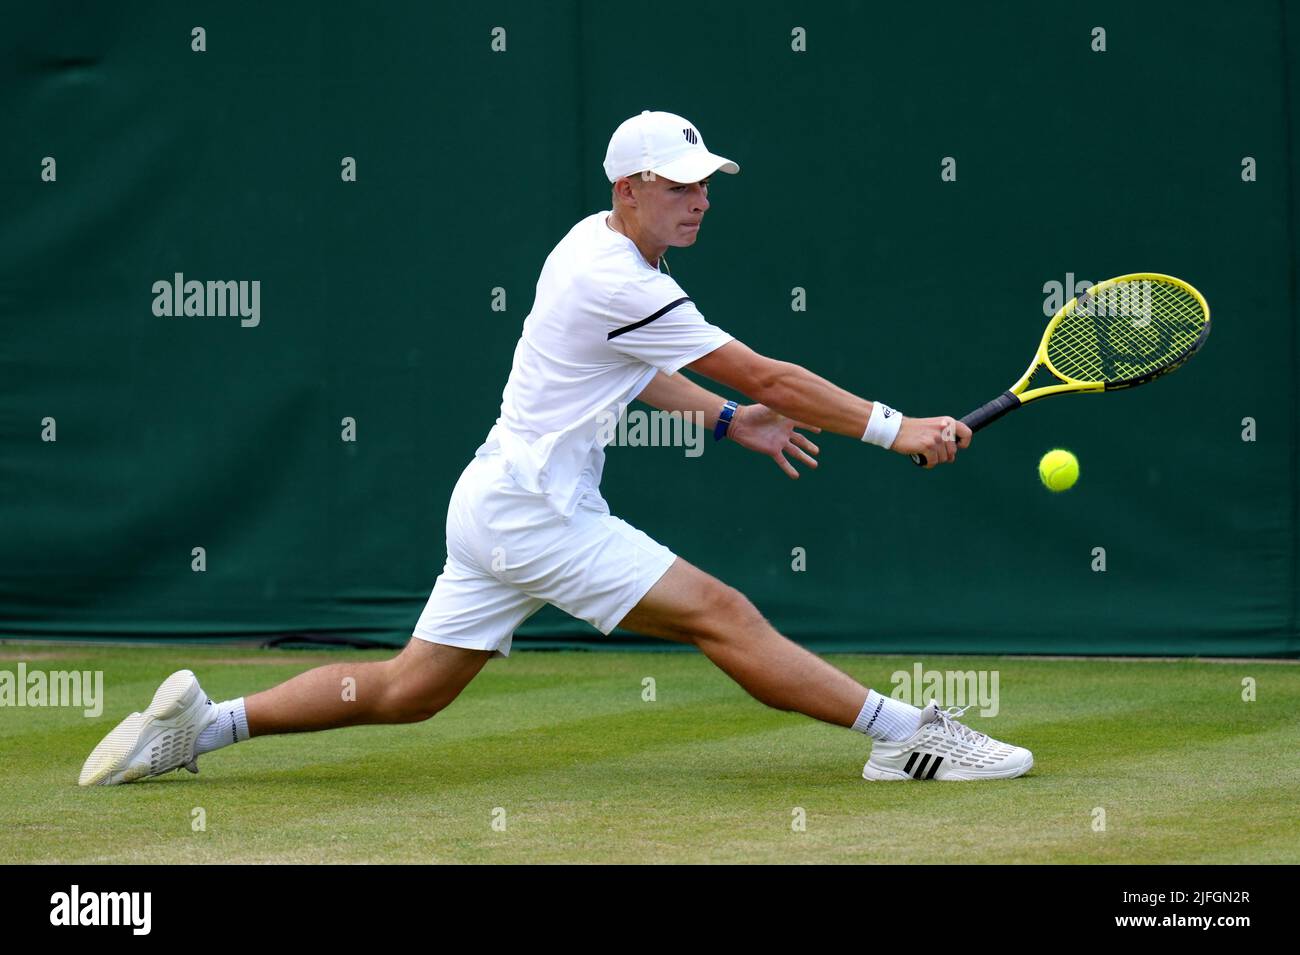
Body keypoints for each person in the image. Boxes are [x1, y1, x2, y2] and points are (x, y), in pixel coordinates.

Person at [80, 110, 1031, 787]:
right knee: (722, 612)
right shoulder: (618, 276)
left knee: (409, 691)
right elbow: (768, 375)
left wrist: (719, 419)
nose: (701, 201)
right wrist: (895, 426)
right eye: (682, 186)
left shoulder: (593, 244)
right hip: (537, 512)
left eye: (707, 186)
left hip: (496, 502)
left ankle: (203, 727)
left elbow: (647, 370)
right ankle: (906, 736)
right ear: (632, 189)